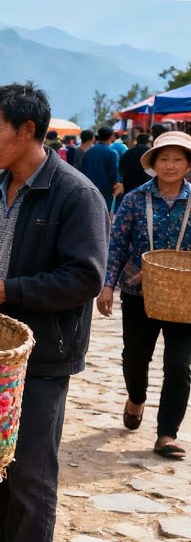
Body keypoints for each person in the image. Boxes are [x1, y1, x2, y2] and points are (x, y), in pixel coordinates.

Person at [0, 83, 107, 542]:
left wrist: (10, 290)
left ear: (27, 130)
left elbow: (85, 277)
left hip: (43, 357)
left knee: (31, 478)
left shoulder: (76, 195)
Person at [98, 131, 191, 459]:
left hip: (185, 297)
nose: (170, 165)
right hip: (138, 292)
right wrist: (107, 285)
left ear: (187, 165)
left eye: (178, 159)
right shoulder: (135, 200)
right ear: (153, 163)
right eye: (164, 158)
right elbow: (117, 244)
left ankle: (167, 433)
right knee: (135, 356)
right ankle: (136, 398)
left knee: (179, 366)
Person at [81, 126, 121, 212]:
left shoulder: (89, 152)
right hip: (105, 190)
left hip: (88, 187)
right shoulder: (112, 153)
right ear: (111, 136)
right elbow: (114, 174)